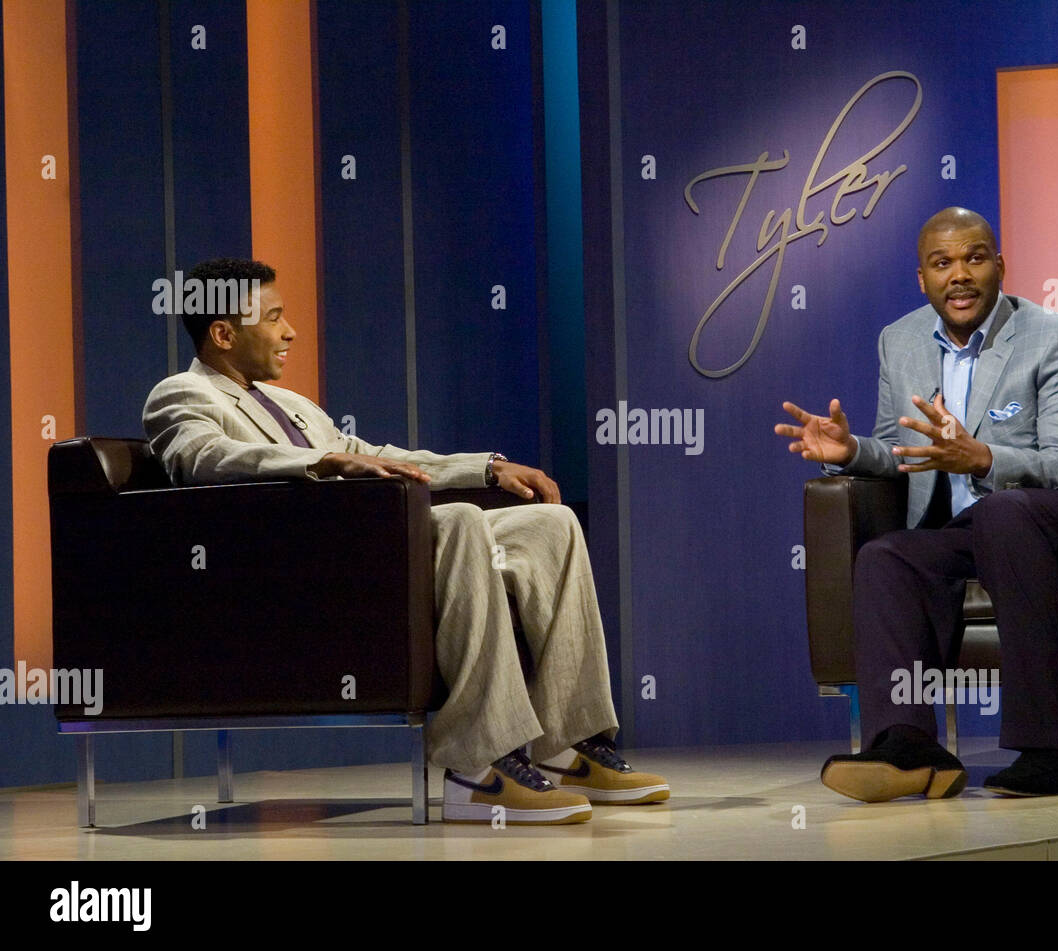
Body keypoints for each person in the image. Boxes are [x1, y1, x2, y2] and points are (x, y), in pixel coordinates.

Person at [143, 257, 669, 825]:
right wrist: (326, 461)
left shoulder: (294, 405)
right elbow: (207, 459)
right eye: (273, 318)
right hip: (306, 569)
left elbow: (384, 457)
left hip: (376, 543)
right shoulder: (182, 395)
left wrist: (487, 469)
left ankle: (566, 748)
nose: (290, 331)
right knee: (462, 521)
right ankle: (477, 769)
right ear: (223, 333)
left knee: (550, 525)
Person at [775, 208, 1058, 801]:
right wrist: (852, 450)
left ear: (999, 267)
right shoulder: (900, 339)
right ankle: (906, 744)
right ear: (922, 278)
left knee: (1002, 512)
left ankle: (1053, 751)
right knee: (888, 556)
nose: (958, 275)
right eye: (942, 263)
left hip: (1056, 515)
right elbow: (901, 450)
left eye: (974, 258)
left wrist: (983, 459)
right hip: (967, 528)